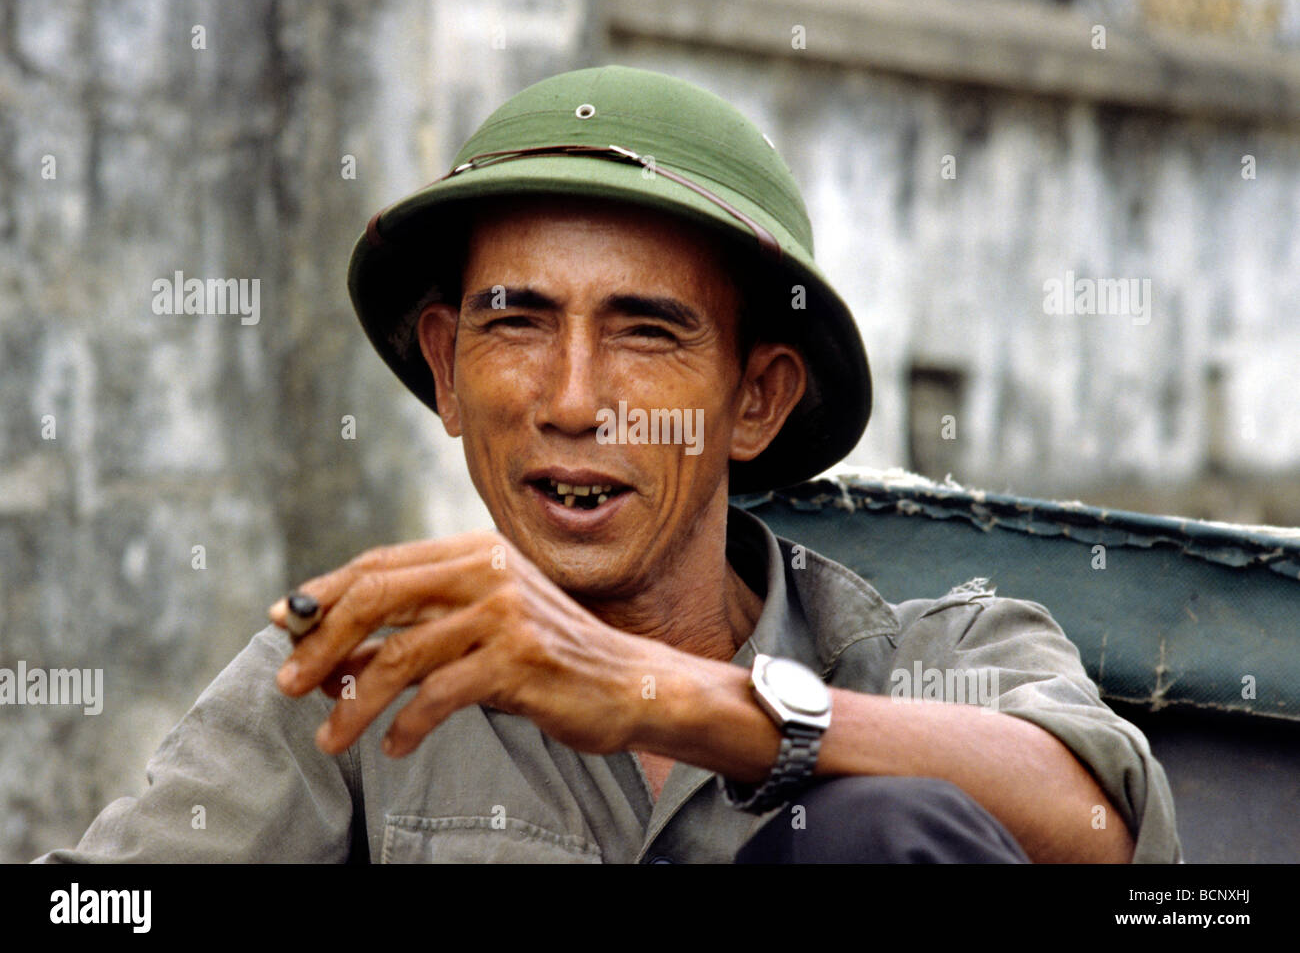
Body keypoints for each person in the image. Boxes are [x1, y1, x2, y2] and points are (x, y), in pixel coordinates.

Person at [35, 65, 1180, 864]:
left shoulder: (932, 652)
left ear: (755, 398)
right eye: (515, 321)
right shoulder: (358, 672)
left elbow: (1099, 830)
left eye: (646, 331)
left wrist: (668, 696)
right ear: (446, 371)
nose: (574, 400)